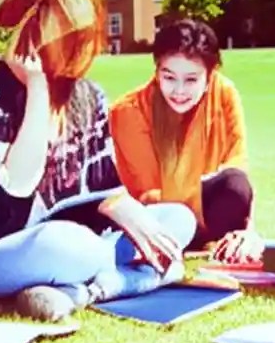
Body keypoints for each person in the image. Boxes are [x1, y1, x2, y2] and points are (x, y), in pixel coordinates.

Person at [0, 0, 196, 322]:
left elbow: (103, 183)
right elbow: (17, 184)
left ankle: (82, 291)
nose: (81, 49)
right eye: (68, 38)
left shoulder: (90, 96)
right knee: (71, 245)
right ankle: (137, 277)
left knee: (177, 220)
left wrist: (131, 213)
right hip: (5, 249)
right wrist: (37, 87)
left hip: (86, 241)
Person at [108, 19, 260, 264]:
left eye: (191, 80)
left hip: (208, 208)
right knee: (177, 216)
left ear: (209, 77)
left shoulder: (224, 93)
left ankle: (224, 241)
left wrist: (247, 230)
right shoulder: (129, 111)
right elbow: (147, 194)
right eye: (169, 78)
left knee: (235, 186)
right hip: (158, 217)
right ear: (157, 72)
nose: (179, 91)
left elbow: (238, 167)